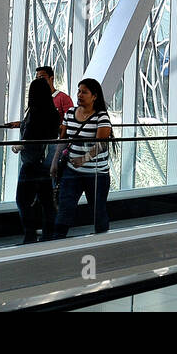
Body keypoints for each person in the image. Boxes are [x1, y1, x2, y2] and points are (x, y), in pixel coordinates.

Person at [50, 78, 113, 239]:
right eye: (79, 91)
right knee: (65, 207)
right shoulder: (70, 113)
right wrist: (55, 162)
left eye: (84, 92)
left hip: (96, 173)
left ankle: (102, 241)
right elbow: (63, 140)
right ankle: (58, 241)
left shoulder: (101, 117)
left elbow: (101, 144)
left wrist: (83, 159)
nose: (79, 95)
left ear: (94, 96)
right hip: (72, 171)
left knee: (97, 210)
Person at [11, 78, 59, 243]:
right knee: (46, 201)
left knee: (22, 200)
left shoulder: (35, 111)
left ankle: (30, 234)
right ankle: (48, 234)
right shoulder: (53, 112)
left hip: (31, 163)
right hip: (46, 163)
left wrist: (18, 147)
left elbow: (30, 137)